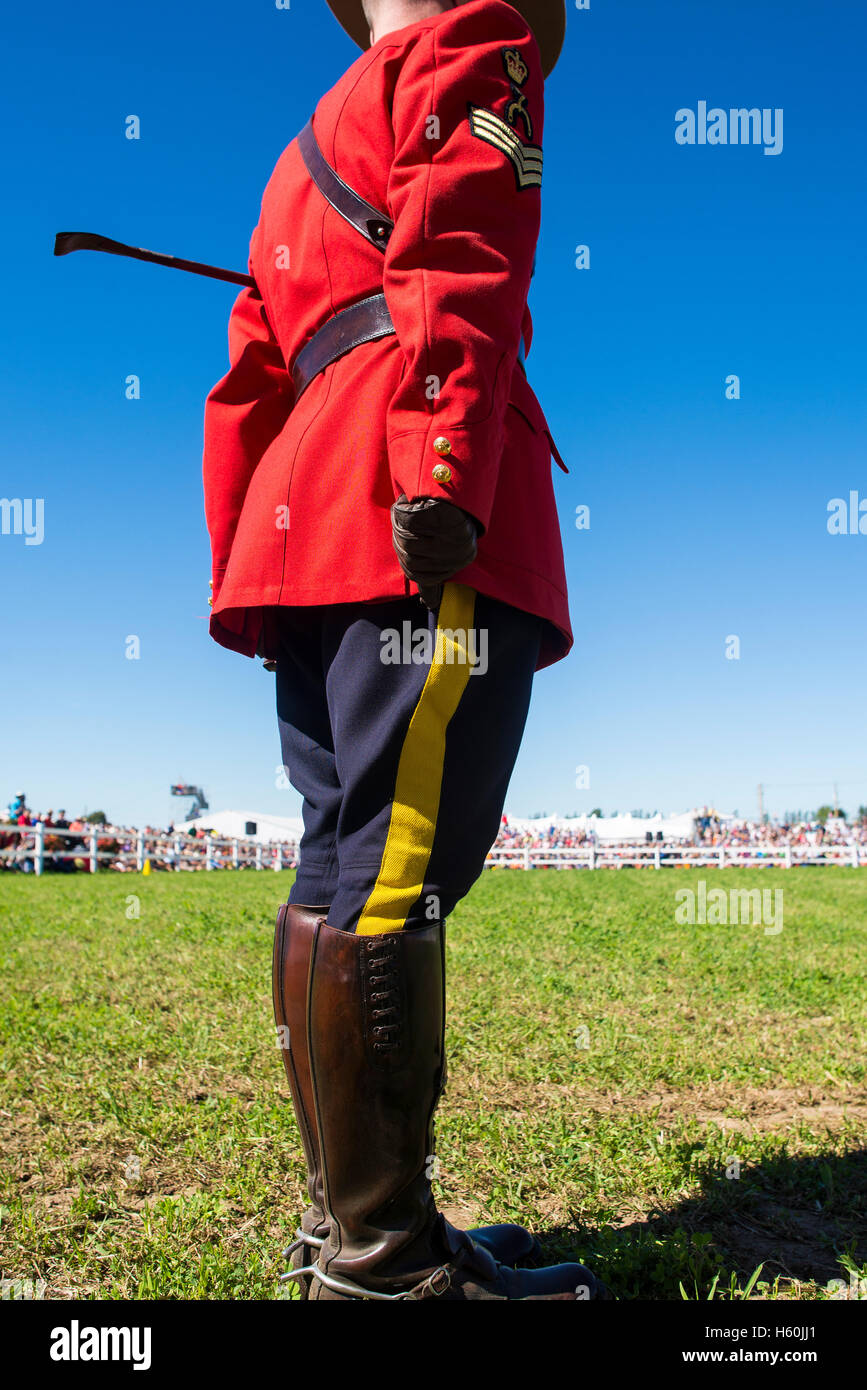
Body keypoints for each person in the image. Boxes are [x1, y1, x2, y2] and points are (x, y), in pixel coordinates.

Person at [202, 0, 603, 1301]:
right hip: (408, 508)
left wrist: (254, 565)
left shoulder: (300, 148)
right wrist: (445, 460)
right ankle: (386, 1264)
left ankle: (351, 1230)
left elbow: (246, 386)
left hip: (307, 522)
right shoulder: (474, 43)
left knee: (340, 865)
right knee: (396, 873)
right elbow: (466, 255)